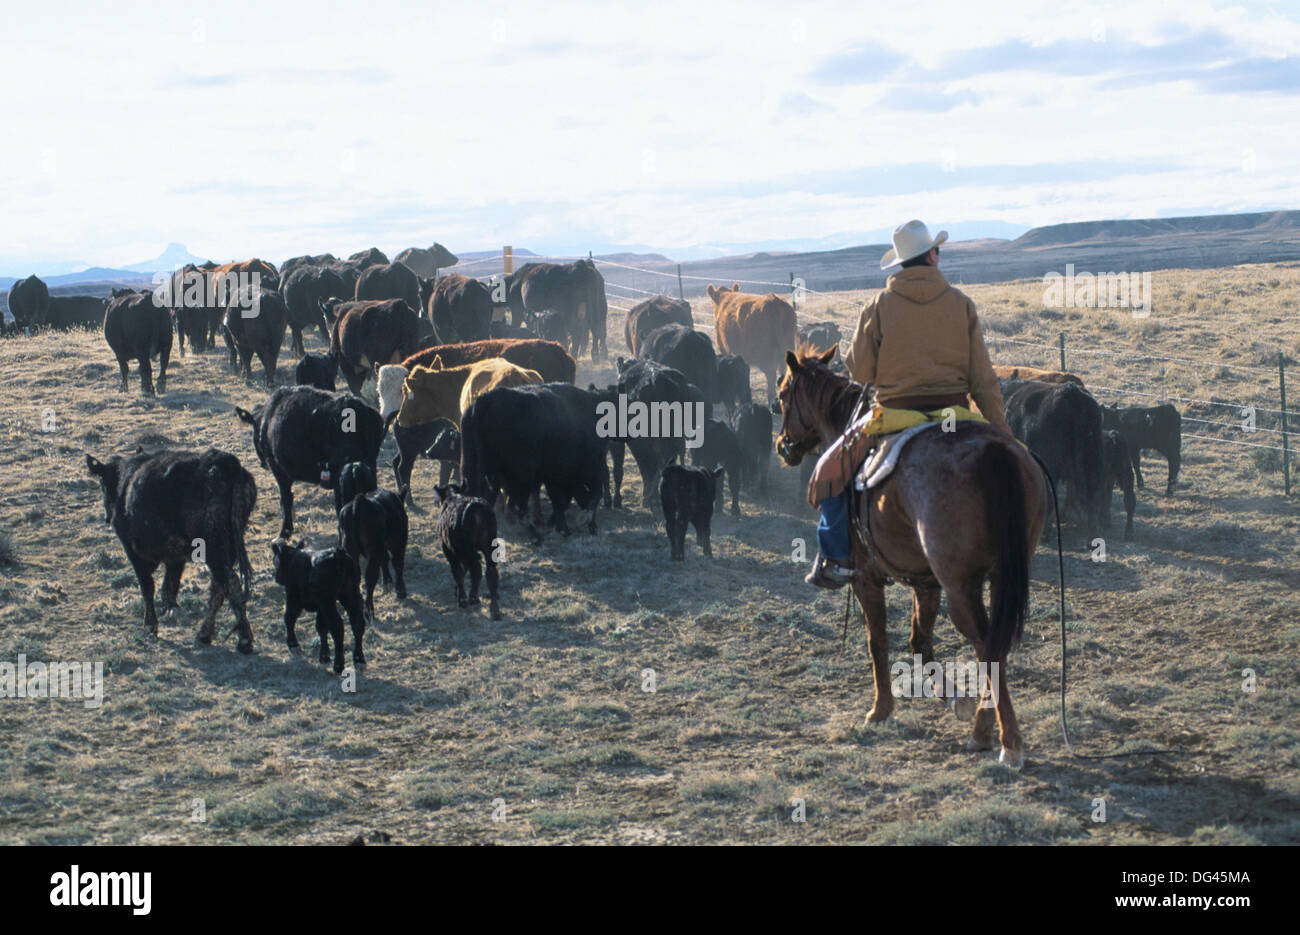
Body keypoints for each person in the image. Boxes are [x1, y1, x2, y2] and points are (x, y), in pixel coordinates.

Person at [805, 219, 1014, 589]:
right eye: (938, 251)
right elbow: (983, 379)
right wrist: (1000, 425)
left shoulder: (878, 306)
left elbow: (862, 372)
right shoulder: (962, 304)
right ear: (932, 256)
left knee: (827, 473)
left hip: (894, 417)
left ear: (901, 264)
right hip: (956, 414)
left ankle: (837, 558)